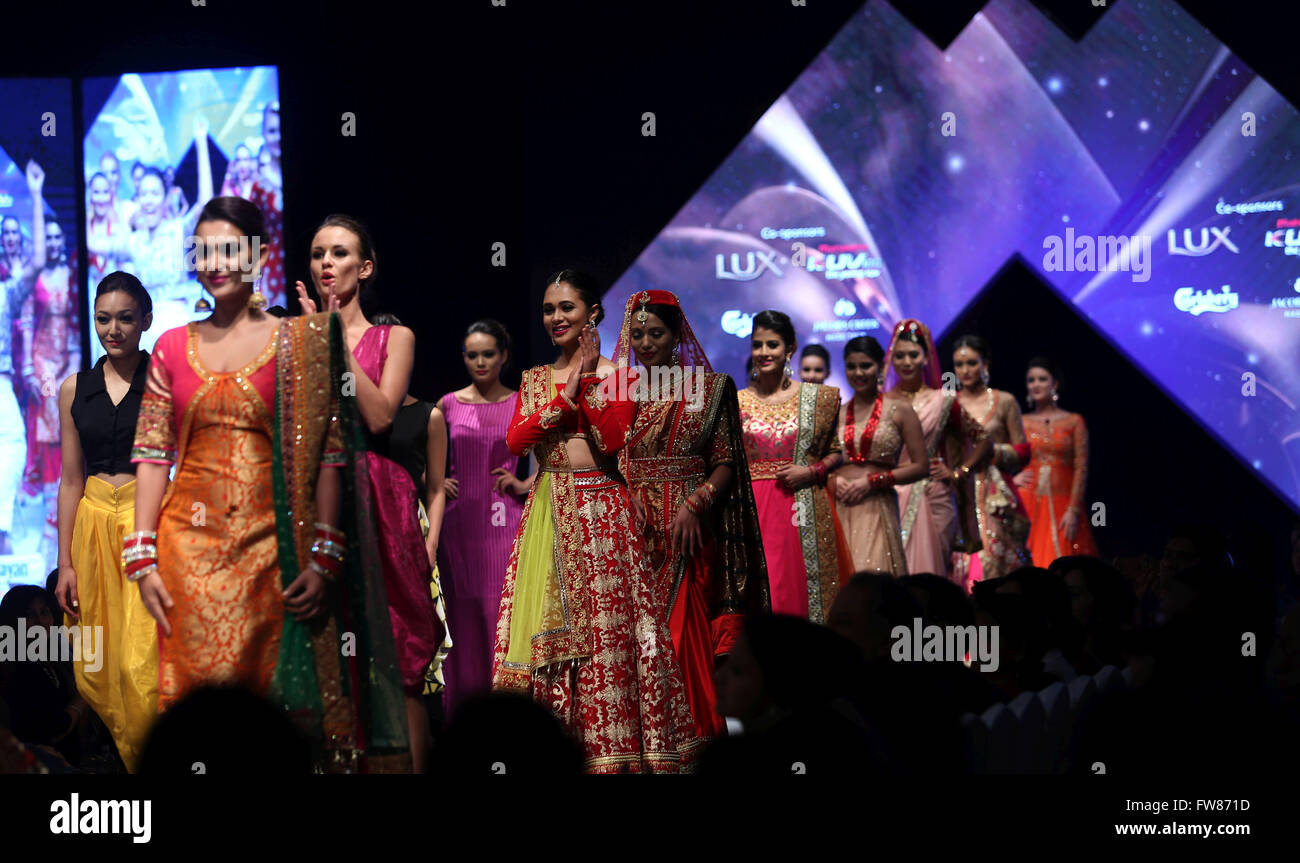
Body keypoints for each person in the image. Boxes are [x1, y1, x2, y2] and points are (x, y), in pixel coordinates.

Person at [130, 196, 409, 772]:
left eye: (229, 247)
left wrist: (325, 554)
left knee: (276, 718)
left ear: (257, 255)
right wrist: (143, 555)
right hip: (187, 558)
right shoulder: (170, 348)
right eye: (203, 249)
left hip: (275, 555)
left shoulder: (299, 341)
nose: (215, 260)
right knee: (196, 720)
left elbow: (331, 451)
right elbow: (154, 454)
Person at [492, 268, 699, 772]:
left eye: (567, 308)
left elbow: (611, 440)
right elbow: (516, 443)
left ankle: (614, 754)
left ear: (593, 314)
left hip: (604, 513)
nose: (556, 318)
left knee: (609, 634)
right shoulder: (535, 378)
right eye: (548, 309)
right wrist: (569, 390)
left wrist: (589, 378)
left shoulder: (621, 375)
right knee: (548, 630)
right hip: (549, 510)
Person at [295, 215, 437, 772]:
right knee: (326, 647)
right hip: (320, 495)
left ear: (366, 267)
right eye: (316, 254)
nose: (325, 263)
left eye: (339, 253)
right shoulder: (298, 335)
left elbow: (379, 414)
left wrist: (333, 343)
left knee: (400, 647)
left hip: (380, 492)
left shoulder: (394, 337)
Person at [614, 290, 769, 739]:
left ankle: (691, 736)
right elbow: (610, 453)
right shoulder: (617, 389)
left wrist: (695, 503)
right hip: (632, 528)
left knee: (682, 634)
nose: (645, 343)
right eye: (638, 334)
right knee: (635, 636)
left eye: (656, 333)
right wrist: (626, 492)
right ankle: (643, 739)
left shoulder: (709, 387)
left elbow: (724, 461)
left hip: (687, 530)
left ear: (677, 334)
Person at [52, 272, 156, 772]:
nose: (112, 329)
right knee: (98, 663)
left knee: (143, 660)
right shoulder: (74, 387)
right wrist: (64, 563)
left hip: (147, 522)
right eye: (102, 319)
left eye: (125, 318)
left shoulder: (164, 380)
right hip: (92, 524)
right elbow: (70, 480)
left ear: (146, 321)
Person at [432, 318, 526, 722]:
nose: (480, 362)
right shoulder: (447, 404)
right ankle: (462, 723)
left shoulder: (523, 401)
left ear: (504, 356)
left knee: (500, 616)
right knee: (462, 619)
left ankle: (507, 717)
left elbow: (556, 457)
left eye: (489, 354)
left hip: (504, 521)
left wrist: (524, 483)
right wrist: (436, 482)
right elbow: (426, 465)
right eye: (472, 355)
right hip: (457, 526)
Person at [737, 309, 852, 622]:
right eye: (757, 345)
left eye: (772, 344)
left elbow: (835, 452)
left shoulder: (819, 398)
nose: (764, 352)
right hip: (753, 510)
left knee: (800, 589)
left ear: (790, 348)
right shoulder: (735, 402)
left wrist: (811, 472)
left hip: (802, 507)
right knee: (764, 588)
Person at [885, 319, 989, 582]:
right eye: (900, 356)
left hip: (935, 496)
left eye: (913, 355)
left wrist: (959, 472)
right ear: (891, 359)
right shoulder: (881, 402)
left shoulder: (943, 400)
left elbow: (983, 439)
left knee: (932, 577)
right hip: (890, 493)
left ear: (926, 357)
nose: (907, 362)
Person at [832, 336, 926, 576]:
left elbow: (921, 466)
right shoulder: (836, 413)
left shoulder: (900, 409)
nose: (858, 372)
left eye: (866, 365)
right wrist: (832, 481)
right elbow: (820, 463)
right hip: (840, 505)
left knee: (873, 580)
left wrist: (873, 481)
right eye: (851, 366)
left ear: (880, 367)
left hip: (877, 505)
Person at [21, 204, 82, 569]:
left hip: (68, 361)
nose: (56, 243)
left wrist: (73, 370)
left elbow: (76, 327)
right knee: (50, 437)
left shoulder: (72, 277)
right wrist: (30, 369)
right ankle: (50, 535)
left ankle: (65, 531)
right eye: (51, 237)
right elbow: (28, 322)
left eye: (61, 238)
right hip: (43, 365)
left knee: (70, 432)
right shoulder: (36, 278)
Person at [950, 335, 1031, 587]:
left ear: (986, 363)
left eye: (972, 363)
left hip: (995, 493)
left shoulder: (1004, 401)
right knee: (959, 565)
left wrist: (991, 453)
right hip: (959, 490)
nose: (965, 370)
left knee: (998, 566)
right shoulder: (949, 403)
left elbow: (1023, 451)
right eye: (959, 365)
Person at [0, 162, 46, 555]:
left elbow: (37, 265)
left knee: (14, 442)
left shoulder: (7, 292)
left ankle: (2, 530)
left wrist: (35, 195)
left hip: (3, 376)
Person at [1014, 357, 1098, 565]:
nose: (1036, 384)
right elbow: (1002, 454)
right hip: (1027, 500)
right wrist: (1011, 480)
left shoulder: (1073, 421)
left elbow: (1081, 467)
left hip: (1064, 502)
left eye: (1042, 379)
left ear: (1055, 384)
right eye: (1031, 380)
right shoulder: (1021, 421)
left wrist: (1074, 509)